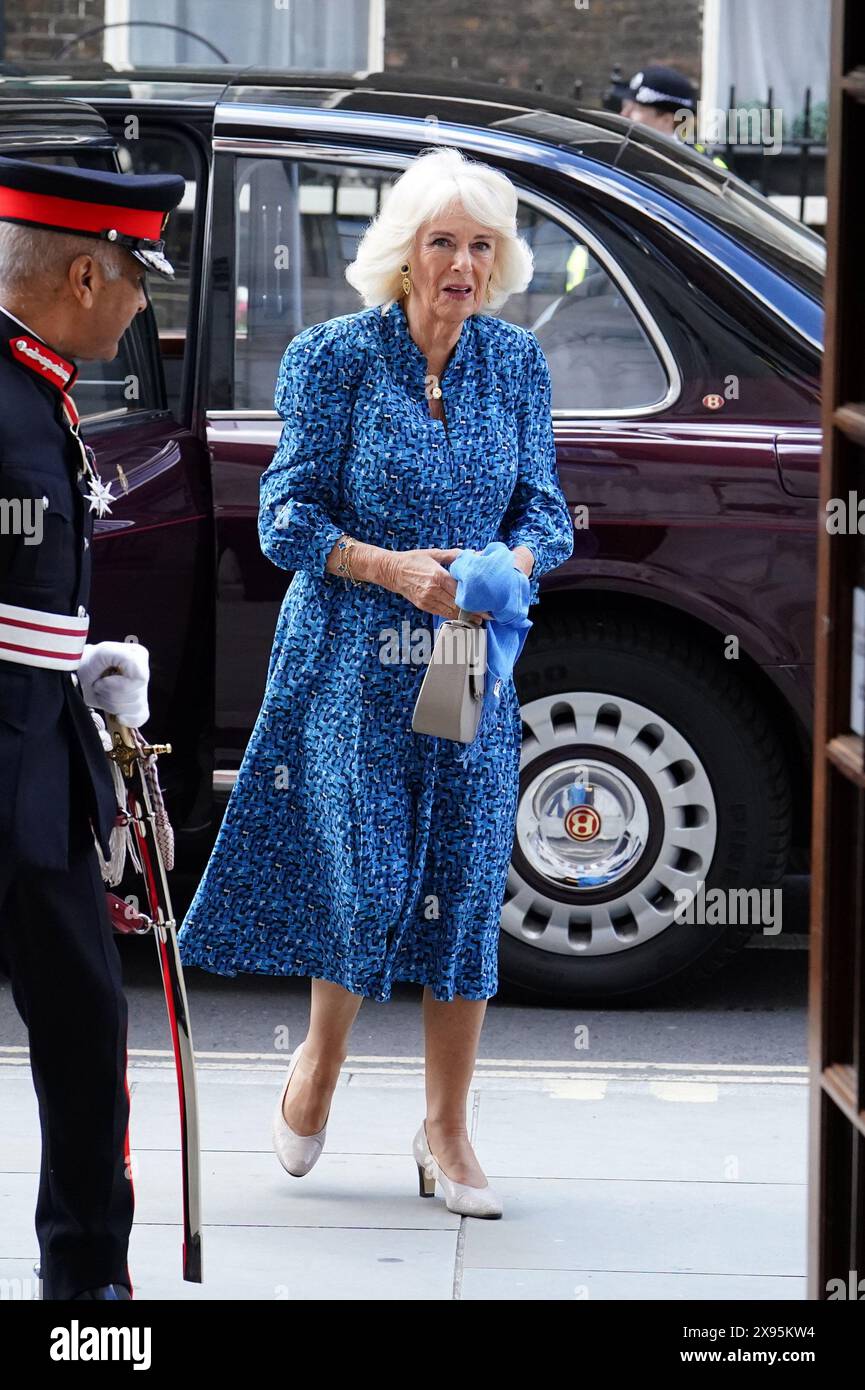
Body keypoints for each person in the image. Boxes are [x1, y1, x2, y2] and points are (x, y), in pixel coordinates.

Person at [178, 145, 574, 1220]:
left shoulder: (514, 365)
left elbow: (546, 511)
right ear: (403, 255)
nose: (462, 264)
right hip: (354, 651)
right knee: (370, 872)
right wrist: (393, 567)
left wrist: (509, 568)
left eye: (480, 245)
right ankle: (318, 1061)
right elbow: (284, 519)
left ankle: (446, 1129)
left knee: (461, 860)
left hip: (461, 654)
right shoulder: (331, 358)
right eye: (442, 242)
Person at [0, 155, 185, 1299]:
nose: (140, 302)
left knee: (82, 1029)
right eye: (133, 277)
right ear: (81, 272)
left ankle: (88, 1290)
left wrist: (77, 657)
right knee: (80, 1034)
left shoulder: (38, 384)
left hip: (36, 742)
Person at [610, 63, 729, 168]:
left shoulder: (698, 169)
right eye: (625, 106)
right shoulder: (615, 152)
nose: (624, 114)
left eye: (636, 109)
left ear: (667, 120)